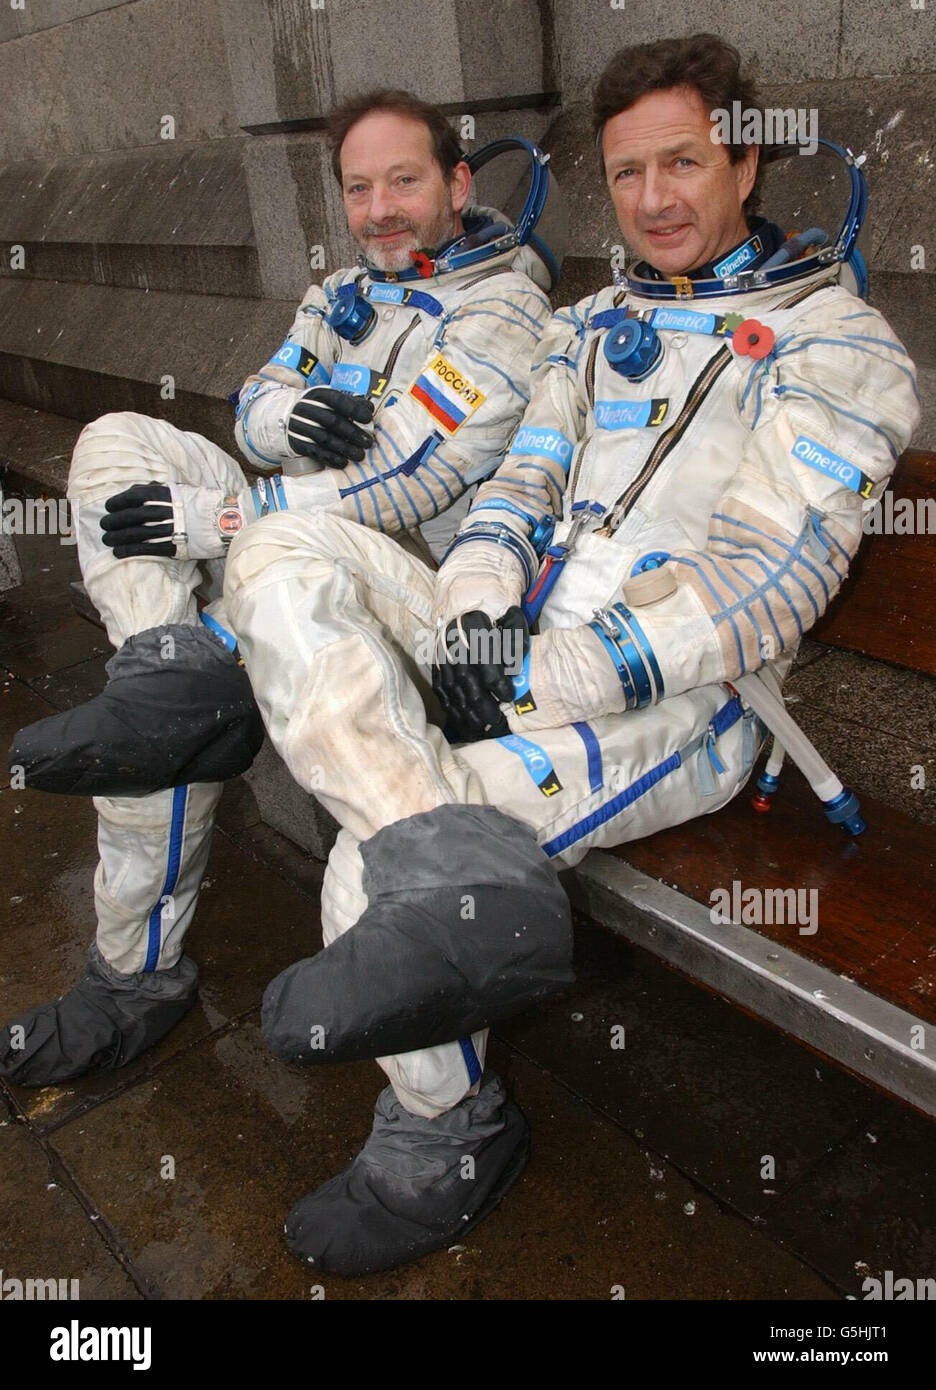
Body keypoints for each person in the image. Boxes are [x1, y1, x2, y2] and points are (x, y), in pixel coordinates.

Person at [217, 33, 921, 1276]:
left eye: (684, 163)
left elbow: (760, 590)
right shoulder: (585, 326)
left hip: (685, 709)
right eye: (628, 171)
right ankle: (438, 869)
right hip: (509, 644)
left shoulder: (836, 346)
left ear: (744, 160)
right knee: (280, 557)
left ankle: (448, 1132)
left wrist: (538, 675)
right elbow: (516, 492)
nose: (653, 199)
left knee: (373, 871)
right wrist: (481, 609)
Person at [2, 90, 562, 1087]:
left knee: (170, 706)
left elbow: (410, 479)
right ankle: (165, 673)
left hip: (406, 593)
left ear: (458, 183)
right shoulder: (340, 289)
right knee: (117, 444)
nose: (380, 208)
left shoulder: (504, 310)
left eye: (403, 180)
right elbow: (253, 398)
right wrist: (297, 414)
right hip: (289, 545)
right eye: (358, 187)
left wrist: (214, 519)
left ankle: (135, 958)